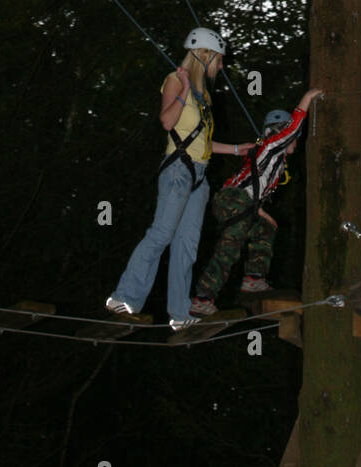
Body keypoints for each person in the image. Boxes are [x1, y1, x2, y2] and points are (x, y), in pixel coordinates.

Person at [105, 28, 255, 330]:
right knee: (161, 234)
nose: (221, 66)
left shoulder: (205, 97)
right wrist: (184, 88)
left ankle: (179, 311)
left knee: (187, 244)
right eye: (219, 60)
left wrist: (238, 149)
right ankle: (124, 297)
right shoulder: (175, 81)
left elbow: (202, 143)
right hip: (177, 171)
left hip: (199, 175)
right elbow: (167, 121)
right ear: (205, 55)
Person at [189, 87, 322, 316]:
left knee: (266, 226)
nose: (296, 142)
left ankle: (253, 277)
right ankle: (203, 297)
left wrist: (263, 215)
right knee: (229, 249)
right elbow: (291, 127)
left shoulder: (273, 161)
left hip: (240, 202)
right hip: (235, 200)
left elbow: (253, 190)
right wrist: (309, 98)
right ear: (280, 133)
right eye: (294, 138)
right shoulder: (271, 147)